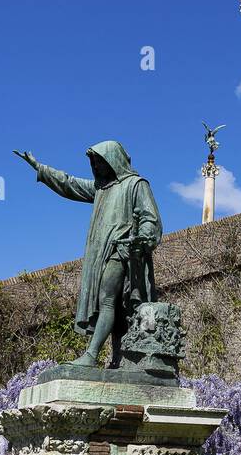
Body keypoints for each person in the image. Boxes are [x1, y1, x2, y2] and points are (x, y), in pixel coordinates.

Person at [14, 141, 162, 369]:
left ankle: (91, 355)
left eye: (99, 162)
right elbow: (69, 184)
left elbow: (149, 217)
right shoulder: (101, 189)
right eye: (94, 163)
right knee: (118, 309)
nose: (96, 168)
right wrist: (40, 168)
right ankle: (118, 358)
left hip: (120, 250)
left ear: (113, 160)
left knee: (108, 300)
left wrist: (143, 237)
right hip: (99, 253)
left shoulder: (136, 184)